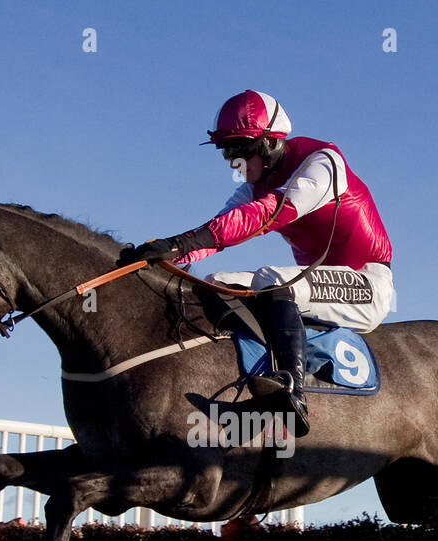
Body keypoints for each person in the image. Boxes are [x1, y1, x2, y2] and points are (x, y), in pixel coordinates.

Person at [118, 90, 394, 438]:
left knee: (273, 280)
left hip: (366, 283)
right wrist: (169, 254)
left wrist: (182, 244)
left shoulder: (324, 163)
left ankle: (292, 393)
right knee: (216, 281)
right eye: (226, 151)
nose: (233, 161)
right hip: (318, 285)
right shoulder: (254, 184)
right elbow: (220, 229)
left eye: (239, 149)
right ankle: (250, 373)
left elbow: (267, 215)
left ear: (269, 143)